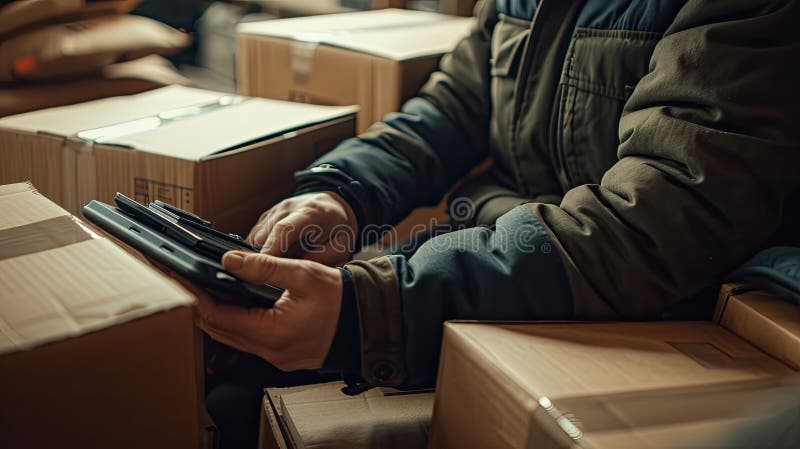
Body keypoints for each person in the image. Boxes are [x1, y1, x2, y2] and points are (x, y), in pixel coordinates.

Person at [195, 0, 800, 446]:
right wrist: (342, 191)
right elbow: (454, 105)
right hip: (507, 257)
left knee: (250, 404)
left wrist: (373, 312)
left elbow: (660, 223)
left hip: (635, 301)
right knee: (235, 382)